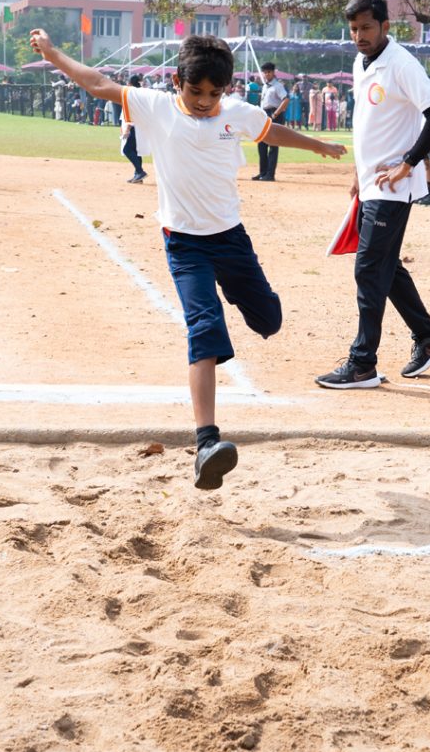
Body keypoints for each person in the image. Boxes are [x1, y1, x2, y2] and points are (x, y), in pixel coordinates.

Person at [30, 27, 344, 489]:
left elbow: (270, 131)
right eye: (195, 92)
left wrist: (319, 145)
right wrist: (53, 52)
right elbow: (98, 84)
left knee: (269, 321)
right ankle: (207, 444)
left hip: (231, 240)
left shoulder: (235, 113)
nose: (204, 101)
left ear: (226, 90)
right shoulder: (156, 107)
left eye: (214, 94)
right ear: (177, 82)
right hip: (185, 245)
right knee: (204, 328)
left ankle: (246, 298)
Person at [316, 0, 430, 390]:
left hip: (393, 187)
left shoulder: (401, 63)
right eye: (353, 29)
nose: (359, 36)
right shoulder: (362, 62)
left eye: (366, 28)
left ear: (385, 26)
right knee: (385, 266)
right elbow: (369, 123)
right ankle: (429, 337)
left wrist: (407, 163)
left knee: (369, 267)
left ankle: (362, 364)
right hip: (371, 185)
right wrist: (358, 174)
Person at [254, 62, 289, 181]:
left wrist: (275, 114)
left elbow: (286, 99)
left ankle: (270, 174)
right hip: (264, 114)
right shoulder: (265, 86)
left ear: (273, 72)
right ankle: (262, 172)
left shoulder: (278, 86)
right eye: (265, 72)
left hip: (274, 114)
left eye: (269, 72)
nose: (266, 74)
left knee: (273, 145)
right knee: (261, 144)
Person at [120, 75, 148, 182]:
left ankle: (140, 172)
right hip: (140, 126)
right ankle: (138, 175)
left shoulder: (132, 95)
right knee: (136, 151)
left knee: (127, 150)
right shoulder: (141, 93)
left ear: (130, 83)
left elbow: (131, 113)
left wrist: (127, 128)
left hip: (134, 127)